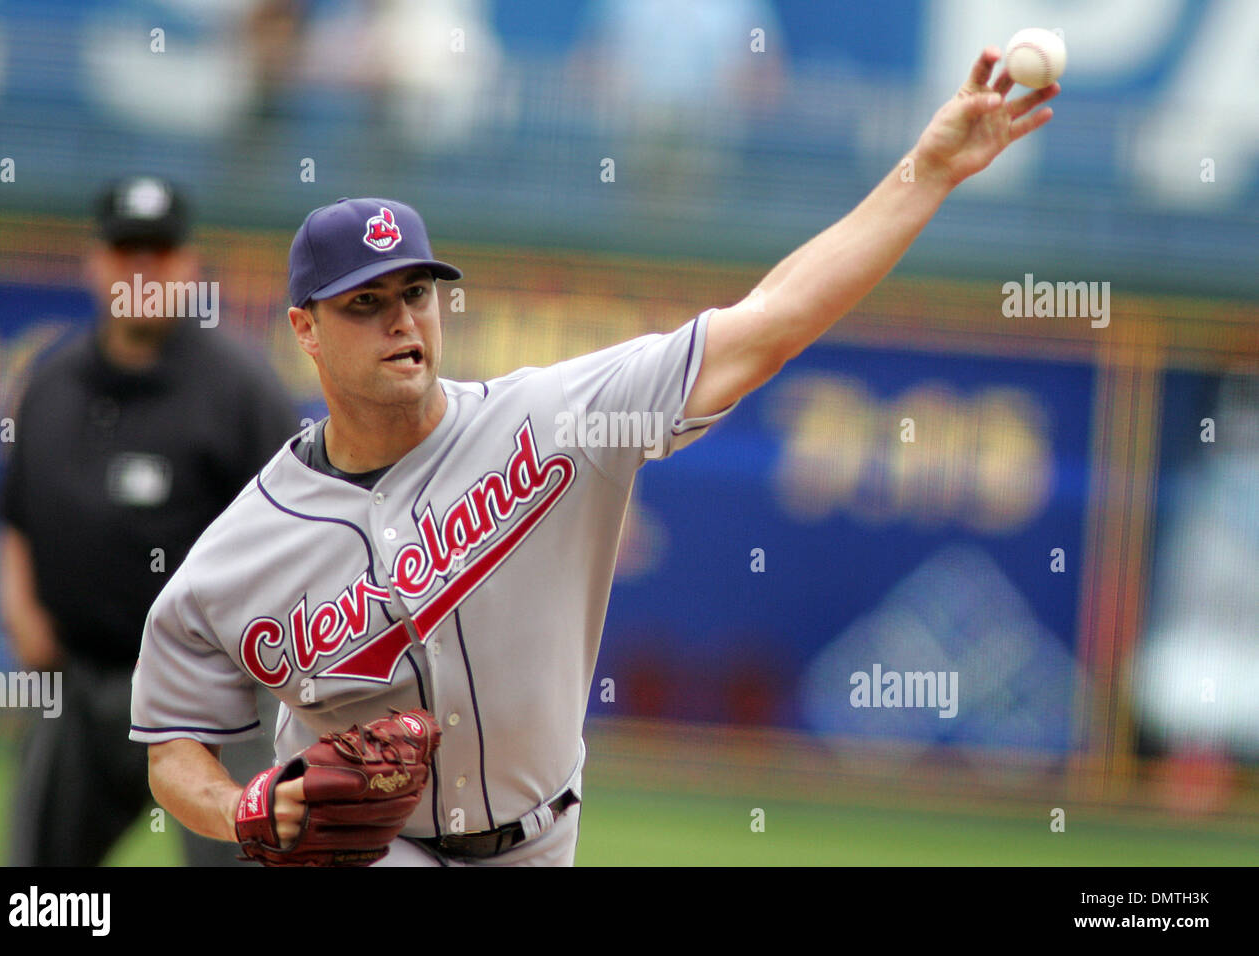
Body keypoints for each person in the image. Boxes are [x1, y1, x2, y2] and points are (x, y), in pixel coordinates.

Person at [131, 50, 1058, 866]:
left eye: (417, 292)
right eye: (365, 304)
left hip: (540, 838)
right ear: (306, 330)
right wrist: (245, 810)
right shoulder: (244, 548)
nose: (403, 319)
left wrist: (927, 172)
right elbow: (174, 748)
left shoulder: (556, 422)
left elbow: (767, 325)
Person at [0, 175, 298, 866]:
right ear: (95, 262)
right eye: (126, 250)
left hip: (219, 693)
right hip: (86, 679)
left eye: (158, 253)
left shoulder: (239, 387)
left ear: (189, 266)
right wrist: (25, 616)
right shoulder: (52, 381)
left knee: (251, 859)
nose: (142, 269)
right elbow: (16, 510)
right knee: (37, 894)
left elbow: (303, 535)